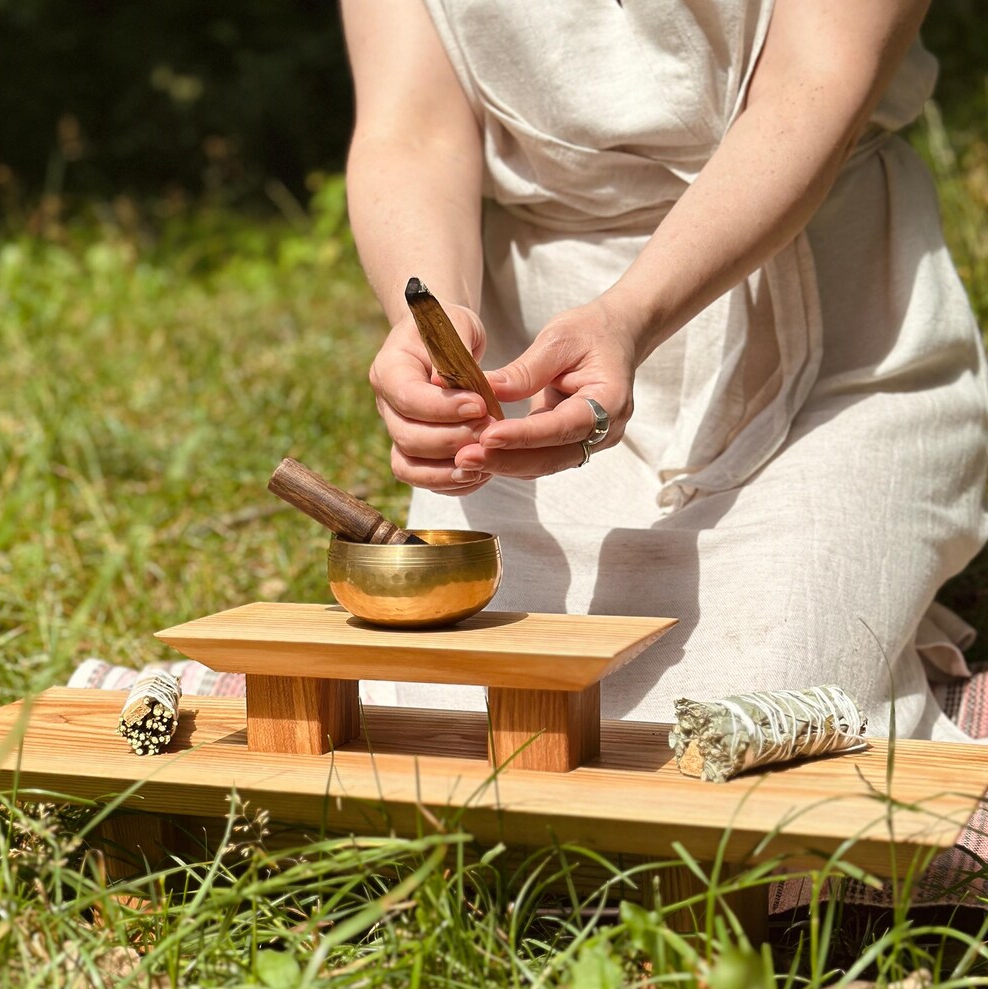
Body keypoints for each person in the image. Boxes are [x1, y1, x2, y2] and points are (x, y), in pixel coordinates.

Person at [341, 0, 988, 740]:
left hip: (842, 352)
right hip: (529, 381)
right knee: (445, 703)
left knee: (757, 711)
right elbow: (411, 131)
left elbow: (814, 84)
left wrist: (628, 317)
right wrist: (430, 319)